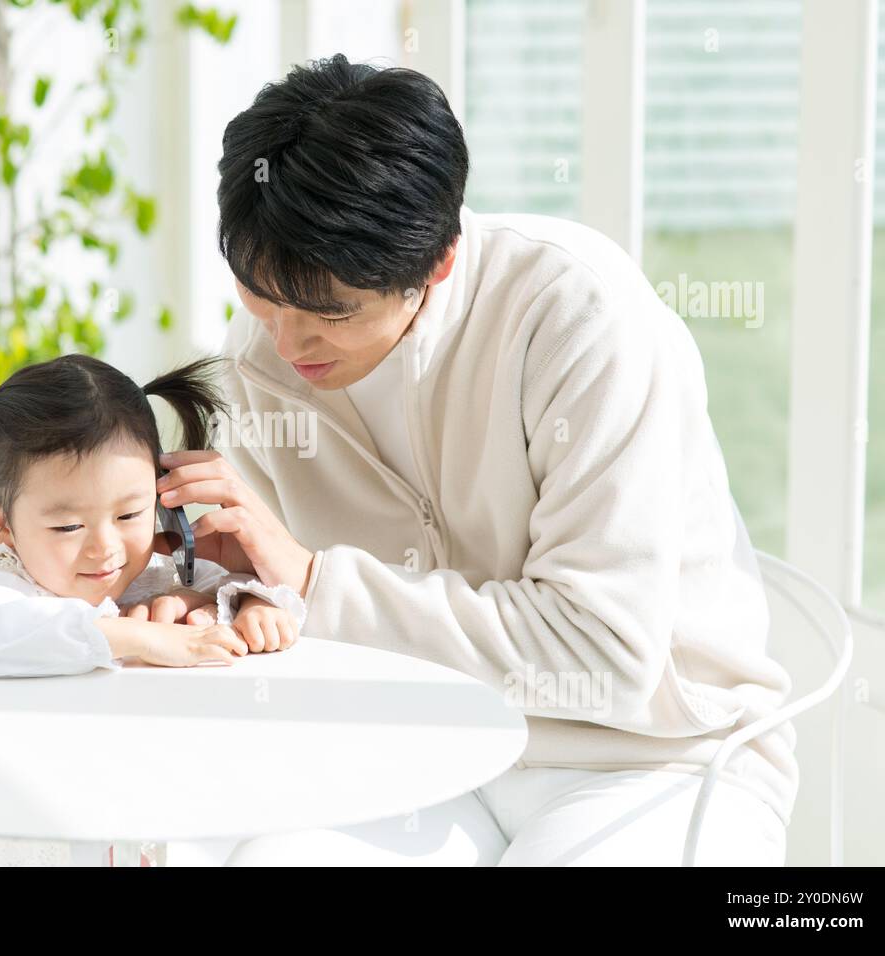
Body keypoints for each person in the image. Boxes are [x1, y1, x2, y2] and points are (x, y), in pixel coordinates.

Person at [151, 54, 796, 865]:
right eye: (260, 296)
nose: (287, 342)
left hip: (651, 756)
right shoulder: (258, 358)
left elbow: (601, 660)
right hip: (419, 749)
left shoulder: (577, 317)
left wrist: (314, 583)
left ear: (439, 260)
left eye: (330, 313)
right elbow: (279, 608)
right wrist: (210, 597)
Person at [0, 354, 305, 866]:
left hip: (118, 827)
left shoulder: (155, 573)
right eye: (67, 527)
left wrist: (252, 602)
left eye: (129, 513)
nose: (105, 548)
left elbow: (225, 590)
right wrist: (138, 637)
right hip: (3, 837)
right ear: (1, 521)